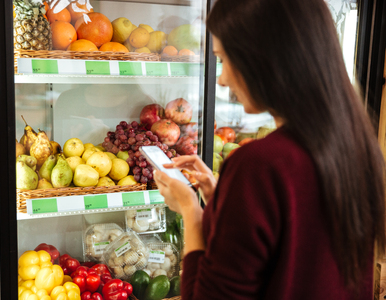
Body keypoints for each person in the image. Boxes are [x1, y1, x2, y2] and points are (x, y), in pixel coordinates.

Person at [153, 0, 385, 299]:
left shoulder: (259, 163)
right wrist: (220, 198)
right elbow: (296, 248)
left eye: (224, 59)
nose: (221, 79)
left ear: (261, 58)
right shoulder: (354, 144)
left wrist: (191, 211)